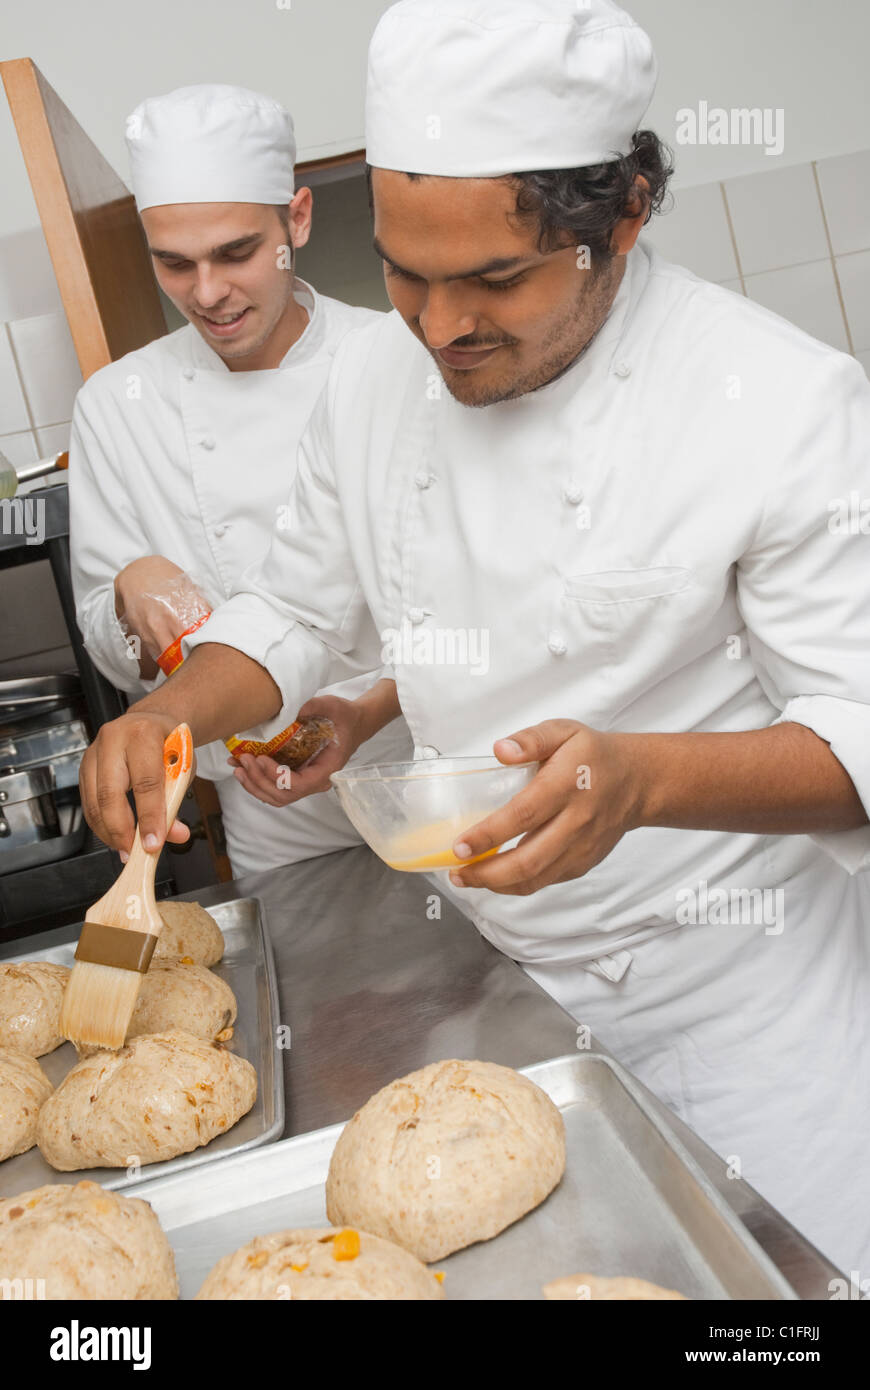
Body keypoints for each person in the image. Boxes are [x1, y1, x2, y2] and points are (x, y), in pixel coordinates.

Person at [79, 1, 870, 1271]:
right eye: (402, 271)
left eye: (495, 279)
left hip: (752, 1010)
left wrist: (647, 778)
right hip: (510, 990)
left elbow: (859, 728)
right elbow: (291, 609)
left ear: (622, 217)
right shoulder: (370, 384)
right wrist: (172, 710)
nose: (439, 328)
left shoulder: (776, 404)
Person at [69, 84, 410, 875]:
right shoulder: (117, 406)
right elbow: (118, 657)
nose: (208, 293)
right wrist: (130, 588)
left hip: (418, 763)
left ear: (297, 219)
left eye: (235, 253)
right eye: (174, 264)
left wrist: (370, 710)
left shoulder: (395, 359)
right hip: (268, 817)